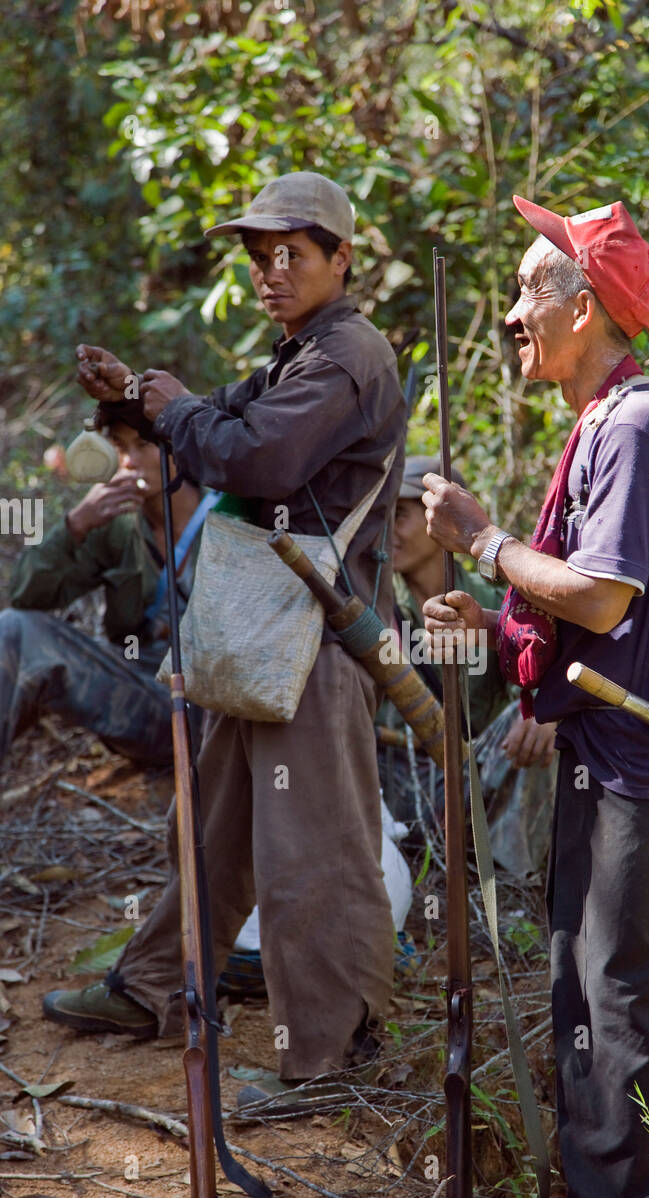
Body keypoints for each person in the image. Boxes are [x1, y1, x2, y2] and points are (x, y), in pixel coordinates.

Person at [421, 197, 649, 1198]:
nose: (513, 315)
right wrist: (497, 617)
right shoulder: (606, 422)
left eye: (529, 292)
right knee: (632, 998)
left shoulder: (637, 425)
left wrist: (481, 537)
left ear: (587, 304)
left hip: (644, 780)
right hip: (626, 765)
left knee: (616, 1007)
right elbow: (585, 609)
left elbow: (601, 599)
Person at [43, 173, 407, 1104]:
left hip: (320, 641)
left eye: (292, 253)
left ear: (341, 259)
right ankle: (154, 986)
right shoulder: (300, 352)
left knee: (312, 858)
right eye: (260, 258)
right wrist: (138, 392)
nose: (271, 272)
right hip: (266, 632)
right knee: (215, 830)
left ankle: (327, 1062)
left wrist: (166, 408)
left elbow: (258, 454)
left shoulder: (347, 355)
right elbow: (223, 419)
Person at [379, 453, 556, 876]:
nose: (389, 532)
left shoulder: (494, 600)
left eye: (402, 516)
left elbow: (528, 677)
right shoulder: (377, 606)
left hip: (477, 775)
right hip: (397, 779)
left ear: (441, 522)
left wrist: (546, 715)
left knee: (542, 714)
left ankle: (509, 882)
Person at [1, 407, 206, 769]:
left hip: (214, 718)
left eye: (144, 445)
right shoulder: (117, 525)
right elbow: (26, 596)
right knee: (16, 630)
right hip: (143, 702)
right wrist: (76, 524)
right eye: (119, 446)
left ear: (180, 446)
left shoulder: (232, 515)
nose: (128, 461)